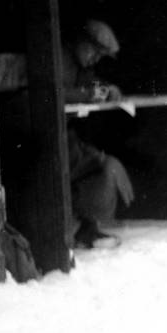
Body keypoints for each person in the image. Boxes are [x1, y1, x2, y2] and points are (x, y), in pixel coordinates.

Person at [61, 20, 134, 249]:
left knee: (102, 167)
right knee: (95, 167)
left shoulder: (80, 65)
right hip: (41, 136)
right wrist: (86, 95)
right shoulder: (56, 57)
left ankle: (87, 229)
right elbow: (54, 91)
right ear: (81, 43)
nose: (95, 59)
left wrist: (107, 89)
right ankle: (77, 231)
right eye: (94, 51)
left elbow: (90, 85)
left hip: (65, 136)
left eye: (100, 56)